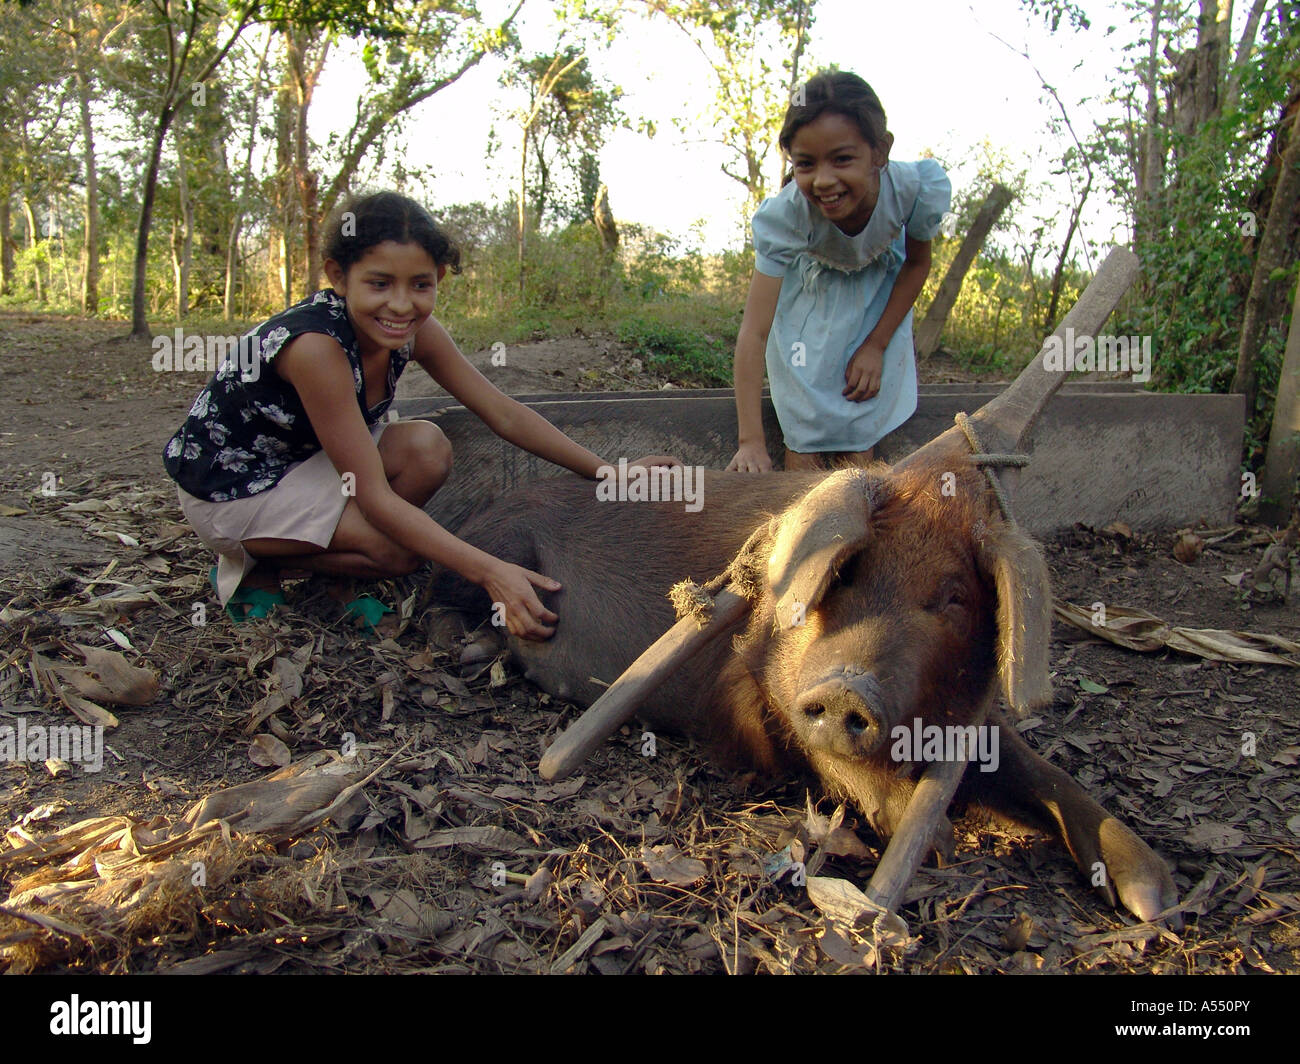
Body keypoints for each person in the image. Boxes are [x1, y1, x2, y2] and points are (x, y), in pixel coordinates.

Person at [162, 191, 676, 634]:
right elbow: (377, 500)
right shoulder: (315, 346)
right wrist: (490, 570)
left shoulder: (412, 332)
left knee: (426, 447)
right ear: (339, 277)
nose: (402, 305)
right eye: (380, 284)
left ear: (439, 279)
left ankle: (336, 574)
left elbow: (502, 412)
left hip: (305, 463)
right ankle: (254, 566)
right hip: (233, 490)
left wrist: (612, 473)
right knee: (398, 554)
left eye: (420, 285)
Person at [726, 72, 951, 473]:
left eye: (842, 159)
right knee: (806, 433)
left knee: (857, 428)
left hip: (876, 304)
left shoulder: (913, 190)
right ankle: (802, 519)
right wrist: (751, 442)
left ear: (880, 151)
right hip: (809, 308)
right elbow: (754, 331)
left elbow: (918, 264)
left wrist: (876, 346)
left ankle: (856, 519)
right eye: (806, 164)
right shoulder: (787, 215)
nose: (824, 180)